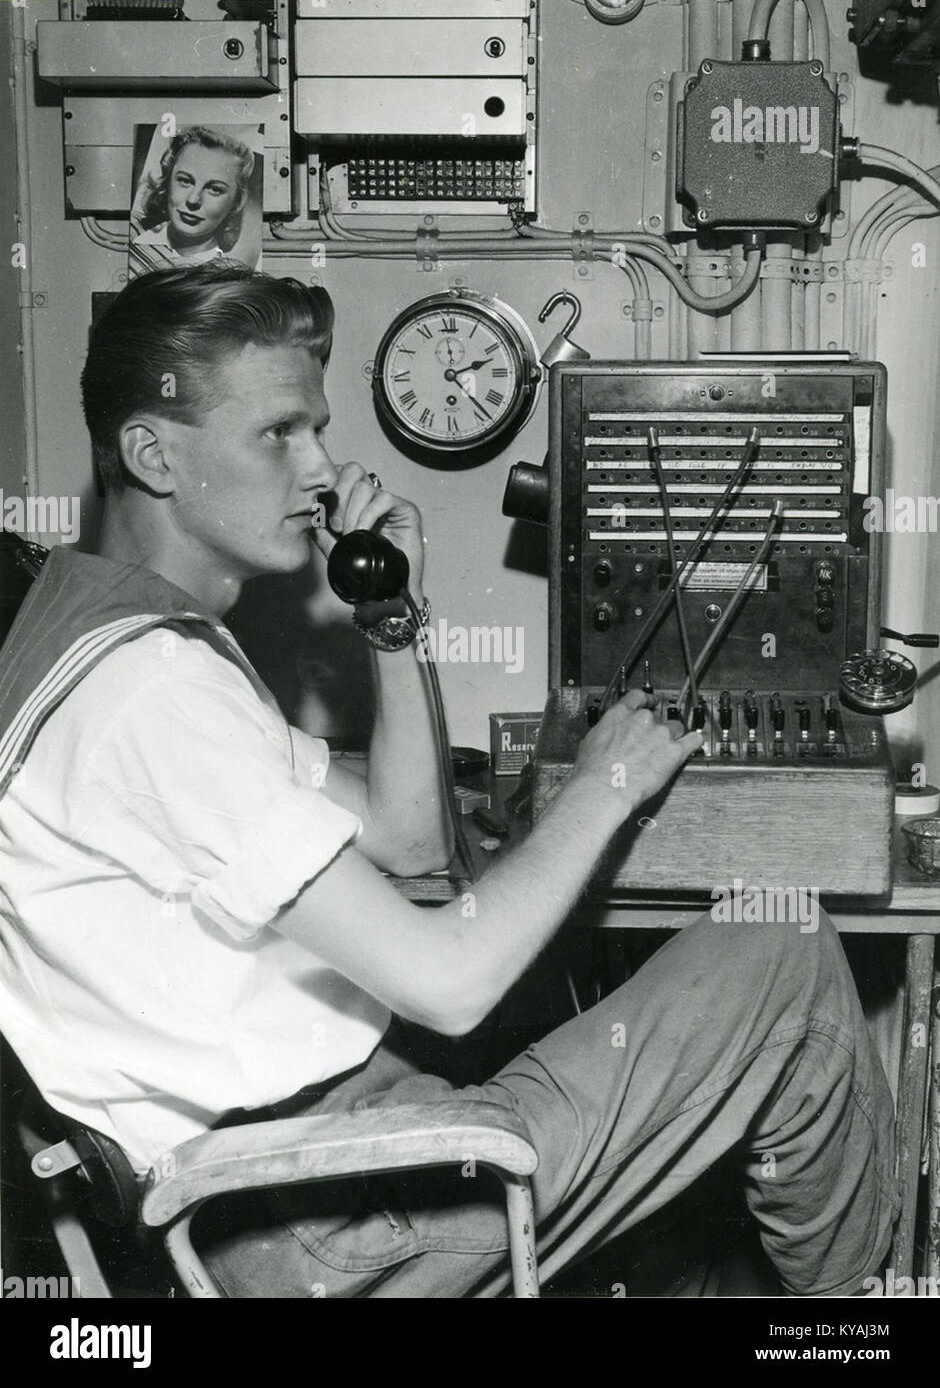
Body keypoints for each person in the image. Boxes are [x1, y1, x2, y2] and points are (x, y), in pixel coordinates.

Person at [0, 263, 899, 1298]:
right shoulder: (149, 691)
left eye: (318, 432)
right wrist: (602, 783)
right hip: (332, 1210)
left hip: (306, 1181)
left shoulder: (105, 636)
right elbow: (449, 982)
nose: (324, 472)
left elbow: (408, 840)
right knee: (783, 946)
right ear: (154, 453)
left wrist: (394, 614)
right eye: (279, 434)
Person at [130, 126, 256, 277]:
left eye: (215, 189)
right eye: (184, 180)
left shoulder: (224, 278)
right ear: (168, 181)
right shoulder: (131, 231)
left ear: (236, 202)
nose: (193, 200)